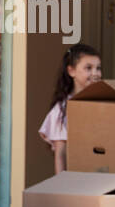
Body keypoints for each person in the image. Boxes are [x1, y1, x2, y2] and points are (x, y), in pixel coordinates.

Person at [38, 43, 102, 174]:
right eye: (88, 68)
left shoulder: (102, 103)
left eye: (98, 68)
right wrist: (61, 187)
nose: (95, 73)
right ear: (71, 71)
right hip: (76, 177)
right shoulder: (62, 109)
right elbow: (60, 154)